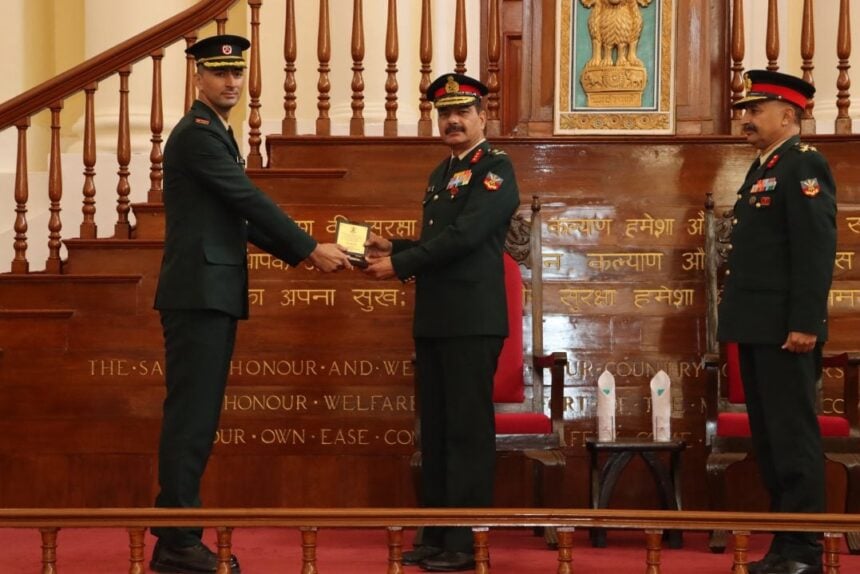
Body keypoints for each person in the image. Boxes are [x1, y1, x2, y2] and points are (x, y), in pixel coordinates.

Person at [151, 34, 351, 574]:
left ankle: (176, 536)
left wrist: (304, 254)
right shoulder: (197, 136)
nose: (231, 82)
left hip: (208, 293)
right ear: (198, 77)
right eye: (219, 73)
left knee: (197, 417)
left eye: (237, 72)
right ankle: (176, 540)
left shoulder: (216, 132)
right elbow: (246, 199)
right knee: (191, 419)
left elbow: (235, 218)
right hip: (198, 295)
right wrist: (309, 247)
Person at [363, 73, 520, 572]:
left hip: (472, 321)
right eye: (443, 113)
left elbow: (467, 237)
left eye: (462, 112)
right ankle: (435, 536)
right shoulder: (441, 173)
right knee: (434, 432)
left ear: (482, 116)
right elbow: (441, 241)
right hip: (434, 320)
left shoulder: (495, 170)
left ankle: (465, 543)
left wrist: (402, 265)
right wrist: (397, 247)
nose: (452, 120)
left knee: (466, 434)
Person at [717, 70, 837, 574]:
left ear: (787, 114)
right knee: (769, 441)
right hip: (757, 325)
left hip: (788, 330)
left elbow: (815, 251)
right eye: (746, 110)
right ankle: (786, 545)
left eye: (756, 110)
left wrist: (805, 322)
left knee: (793, 439)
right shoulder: (763, 168)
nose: (746, 118)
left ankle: (804, 549)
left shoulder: (803, 168)